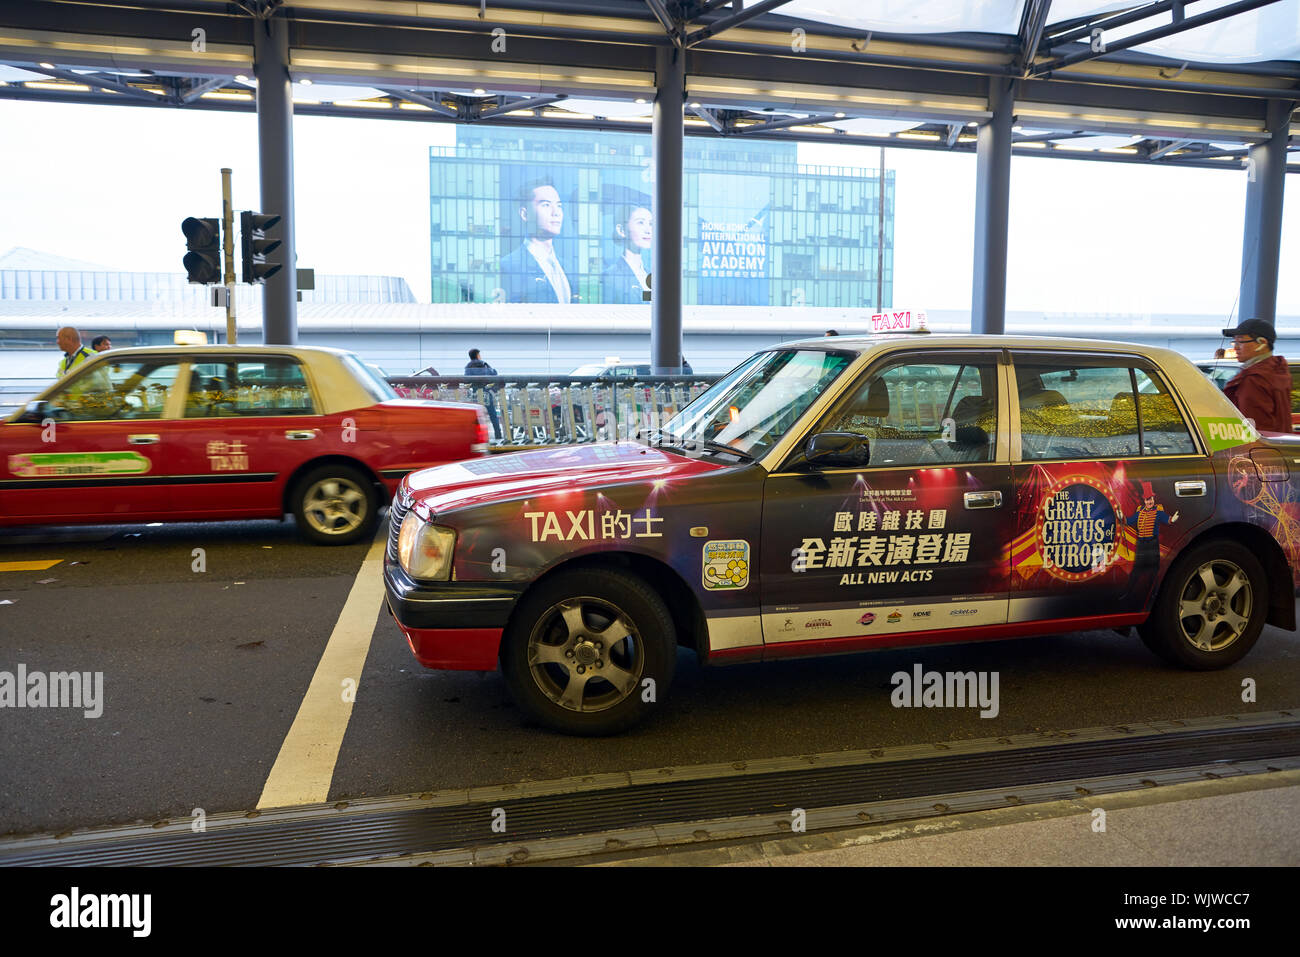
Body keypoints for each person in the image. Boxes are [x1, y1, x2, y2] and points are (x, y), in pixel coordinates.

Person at [500, 179, 575, 304]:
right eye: (546, 205)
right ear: (525, 214)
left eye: (559, 206)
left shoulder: (566, 266)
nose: (556, 212)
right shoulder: (509, 267)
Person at [1220, 318, 1291, 433]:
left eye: (1240, 342)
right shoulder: (1277, 371)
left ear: (1262, 343)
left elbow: (1255, 426)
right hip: (1279, 445)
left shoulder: (1254, 379)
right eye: (1234, 342)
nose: (1235, 347)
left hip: (1256, 448)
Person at [602, 204, 652, 304]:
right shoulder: (611, 276)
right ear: (621, 230)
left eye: (651, 224)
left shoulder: (650, 274)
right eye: (640, 223)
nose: (648, 230)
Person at [464, 348, 502, 440]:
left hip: (475, 394)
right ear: (477, 355)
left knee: (475, 416)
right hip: (487, 392)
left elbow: (466, 380)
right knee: (492, 414)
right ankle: (498, 435)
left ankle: (475, 437)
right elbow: (494, 374)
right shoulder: (484, 365)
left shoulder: (468, 367)